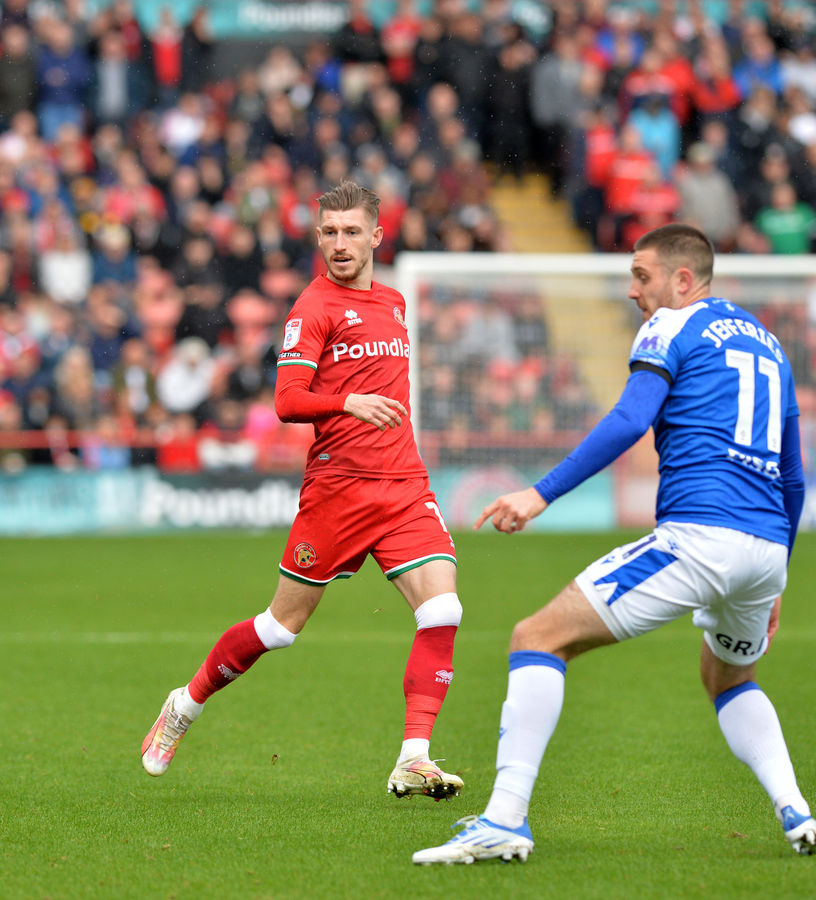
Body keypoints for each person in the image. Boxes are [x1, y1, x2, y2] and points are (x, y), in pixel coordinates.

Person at [412, 224, 814, 865]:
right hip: (765, 548)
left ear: (683, 281)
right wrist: (781, 577)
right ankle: (797, 811)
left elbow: (630, 418)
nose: (632, 291)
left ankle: (504, 819)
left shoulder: (671, 324)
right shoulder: (770, 345)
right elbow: (794, 475)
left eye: (642, 276)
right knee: (729, 674)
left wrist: (539, 493)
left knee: (536, 636)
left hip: (701, 536)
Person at [141, 182, 465, 801]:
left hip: (403, 487)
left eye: (351, 232)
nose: (340, 244)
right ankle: (185, 703)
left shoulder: (396, 303)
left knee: (443, 610)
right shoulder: (311, 308)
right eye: (329, 232)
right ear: (317, 237)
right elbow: (287, 401)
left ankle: (414, 757)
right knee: (281, 628)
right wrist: (349, 401)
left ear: (376, 236)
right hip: (337, 491)